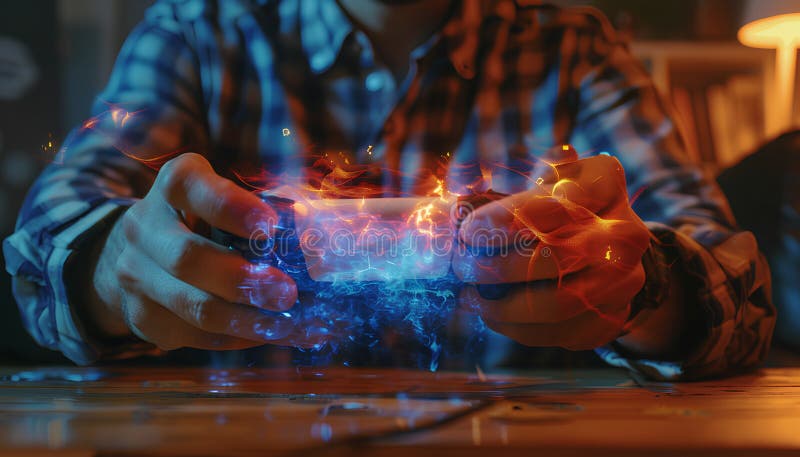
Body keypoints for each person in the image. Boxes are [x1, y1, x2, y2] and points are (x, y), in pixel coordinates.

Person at [3, 0, 775, 380]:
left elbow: (733, 279)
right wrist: (113, 266)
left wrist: (640, 283)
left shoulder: (572, 44)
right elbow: (47, 236)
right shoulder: (198, 30)